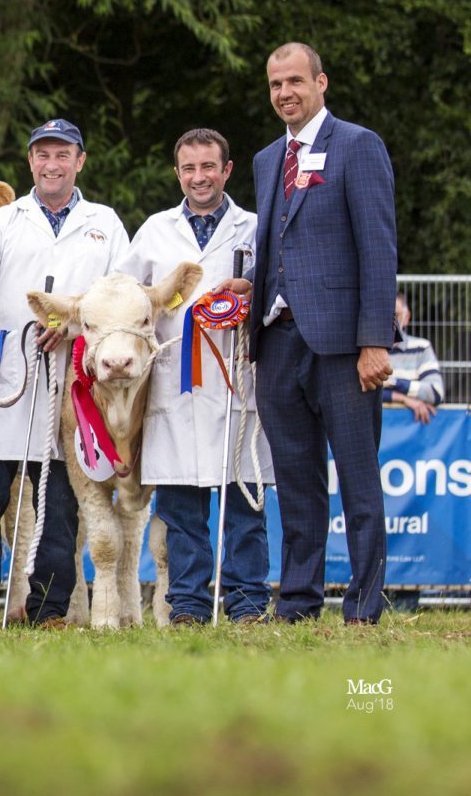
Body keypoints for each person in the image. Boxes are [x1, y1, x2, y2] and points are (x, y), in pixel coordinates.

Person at [0, 118, 129, 630]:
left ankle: (50, 609)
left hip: (69, 381)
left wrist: (73, 326)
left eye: (62, 154)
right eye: (43, 155)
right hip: (0, 375)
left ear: (80, 161)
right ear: (30, 162)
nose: (52, 165)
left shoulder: (105, 223)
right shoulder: (3, 221)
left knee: (58, 504)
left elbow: (120, 289)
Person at [243, 41, 397, 625]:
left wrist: (374, 341)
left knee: (358, 480)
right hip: (278, 341)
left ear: (321, 83)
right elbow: (279, 246)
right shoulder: (265, 160)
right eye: (276, 84)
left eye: (295, 82)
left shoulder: (357, 146)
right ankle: (300, 602)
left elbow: (378, 249)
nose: (285, 93)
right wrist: (249, 292)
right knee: (297, 483)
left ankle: (363, 605)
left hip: (342, 346)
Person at [119, 129, 275, 625]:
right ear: (177, 173)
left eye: (209, 167)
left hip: (238, 379)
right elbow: (126, 296)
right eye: (189, 168)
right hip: (177, 384)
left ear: (227, 170)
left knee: (245, 504)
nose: (199, 177)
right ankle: (186, 603)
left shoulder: (255, 228)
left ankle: (247, 602)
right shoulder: (155, 230)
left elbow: (275, 289)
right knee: (181, 509)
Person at [383, 292, 443, 424]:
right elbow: (359, 393)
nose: (390, 321)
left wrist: (392, 382)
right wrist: (403, 399)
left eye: (396, 315)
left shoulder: (422, 348)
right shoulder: (366, 353)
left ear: (407, 317)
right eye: (384, 316)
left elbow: (435, 393)